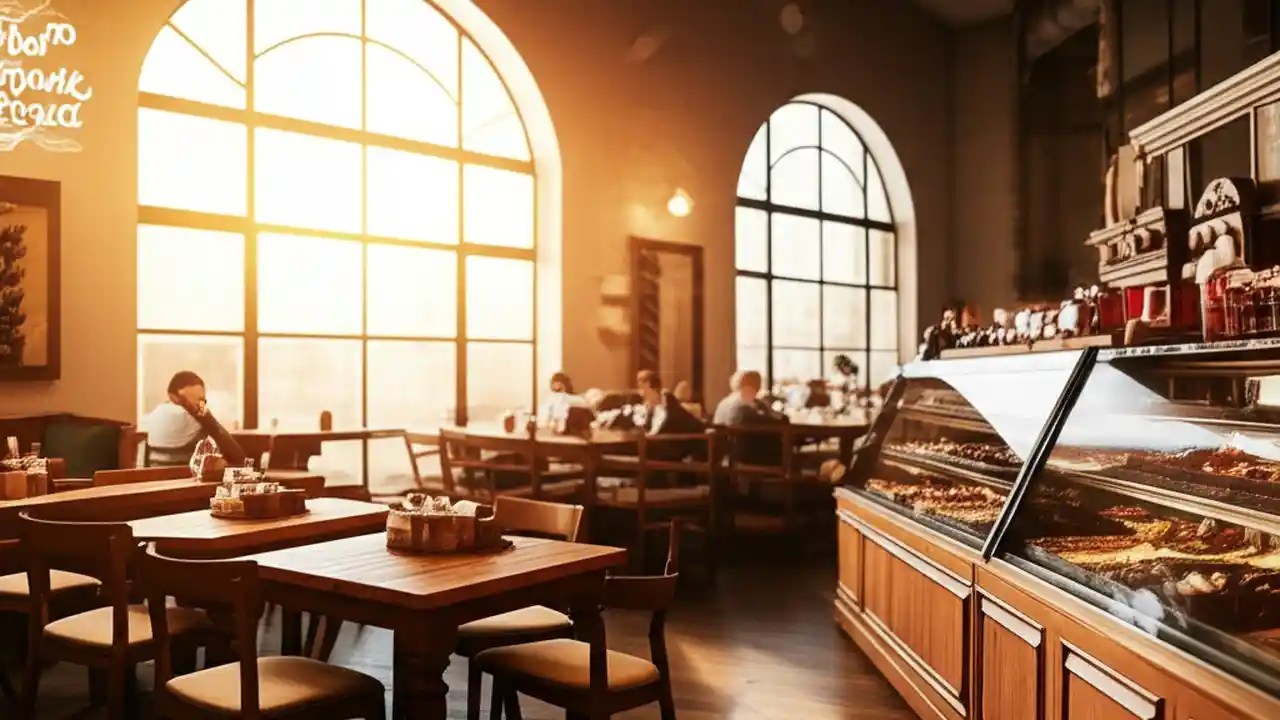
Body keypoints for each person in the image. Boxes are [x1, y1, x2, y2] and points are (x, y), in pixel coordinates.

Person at [143, 371, 245, 468]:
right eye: (198, 402)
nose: (200, 406)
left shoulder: (154, 415)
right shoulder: (190, 419)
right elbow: (238, 458)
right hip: (185, 478)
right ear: (175, 398)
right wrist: (207, 417)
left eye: (202, 401)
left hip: (155, 478)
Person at [713, 370, 785, 426]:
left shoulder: (725, 401)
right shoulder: (744, 402)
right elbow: (755, 421)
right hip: (739, 439)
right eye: (757, 383)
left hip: (723, 440)